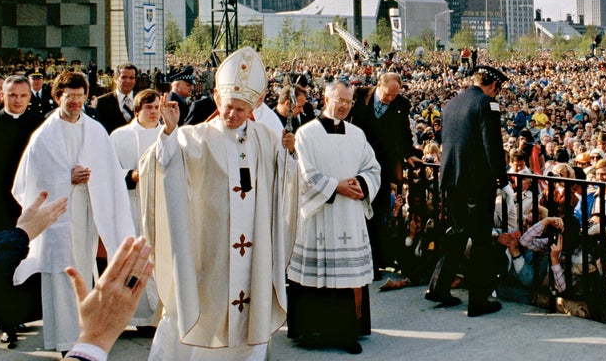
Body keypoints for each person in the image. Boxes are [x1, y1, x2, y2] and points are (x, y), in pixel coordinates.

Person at [139, 47, 298, 360]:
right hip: (210, 249)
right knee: (206, 309)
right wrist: (169, 133)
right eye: (228, 107)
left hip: (253, 248)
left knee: (249, 313)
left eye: (241, 109)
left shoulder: (266, 137)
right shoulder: (196, 137)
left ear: (254, 104)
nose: (232, 114)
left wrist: (290, 155)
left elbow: (285, 182)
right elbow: (158, 166)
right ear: (215, 98)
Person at [11, 70, 135, 354]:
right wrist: (66, 177)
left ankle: (85, 335)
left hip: (87, 211)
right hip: (58, 216)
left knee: (83, 269)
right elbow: (29, 181)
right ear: (57, 97)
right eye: (70, 97)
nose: (76, 102)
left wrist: (93, 181)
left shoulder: (95, 130)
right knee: (60, 274)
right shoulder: (45, 134)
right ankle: (63, 339)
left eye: (81, 96)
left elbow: (109, 172)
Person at [287, 80, 381, 354]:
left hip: (348, 213)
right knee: (316, 277)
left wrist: (361, 184)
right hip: (319, 213)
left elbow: (372, 168)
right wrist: (335, 186)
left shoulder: (356, 134)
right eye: (338, 100)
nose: (343, 106)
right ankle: (311, 332)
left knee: (345, 277)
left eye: (348, 102)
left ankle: (345, 333)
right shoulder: (306, 134)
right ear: (325, 99)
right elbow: (303, 173)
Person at [427, 65, 509, 317]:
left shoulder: (451, 104)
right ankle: (478, 300)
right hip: (476, 183)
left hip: (452, 179)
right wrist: (502, 180)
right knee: (482, 240)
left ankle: (439, 287)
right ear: (494, 85)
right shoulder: (487, 105)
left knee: (458, 232)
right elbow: (492, 145)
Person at [0, 74, 46, 346]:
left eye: (23, 96)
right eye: (12, 95)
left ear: (30, 97)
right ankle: (6, 322)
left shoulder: (39, 125)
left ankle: (20, 314)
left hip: (27, 206)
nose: (17, 100)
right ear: (2, 95)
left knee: (25, 262)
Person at [347, 71, 421, 279]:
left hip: (380, 167)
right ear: (378, 85)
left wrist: (408, 154)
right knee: (357, 212)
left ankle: (374, 263)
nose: (390, 99)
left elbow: (404, 131)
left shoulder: (401, 105)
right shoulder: (359, 95)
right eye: (387, 94)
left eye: (394, 95)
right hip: (356, 162)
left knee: (378, 213)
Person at [109, 88, 163, 329]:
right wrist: (130, 175)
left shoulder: (168, 134)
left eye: (157, 107)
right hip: (131, 204)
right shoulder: (120, 136)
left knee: (159, 259)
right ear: (137, 110)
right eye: (148, 108)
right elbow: (109, 171)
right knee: (134, 258)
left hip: (161, 208)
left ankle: (159, 317)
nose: (153, 112)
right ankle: (133, 316)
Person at [95, 63, 138, 134]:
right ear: (115, 78)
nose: (128, 81)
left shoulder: (143, 101)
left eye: (131, 78)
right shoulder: (101, 102)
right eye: (124, 77)